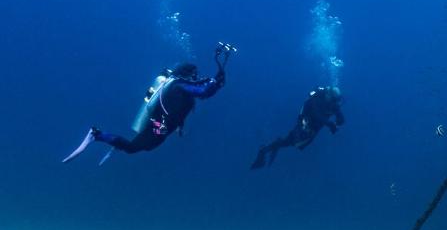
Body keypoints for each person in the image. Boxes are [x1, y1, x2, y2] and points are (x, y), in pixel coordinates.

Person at [62, 45, 231, 163]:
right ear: (186, 74)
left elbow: (191, 101)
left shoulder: (182, 87)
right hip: (160, 124)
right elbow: (203, 92)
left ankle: (117, 144)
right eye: (194, 74)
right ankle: (96, 135)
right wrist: (215, 82)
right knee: (133, 148)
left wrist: (216, 83)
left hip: (162, 125)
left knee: (147, 146)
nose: (196, 77)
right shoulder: (179, 85)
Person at [250, 86, 344, 169]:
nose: (334, 103)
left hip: (314, 127)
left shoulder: (333, 103)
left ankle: (272, 146)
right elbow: (316, 115)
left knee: (293, 143)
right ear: (328, 95)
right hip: (305, 122)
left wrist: (337, 122)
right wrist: (330, 124)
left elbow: (341, 118)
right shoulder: (316, 99)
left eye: (335, 100)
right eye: (333, 100)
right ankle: (264, 150)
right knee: (292, 141)